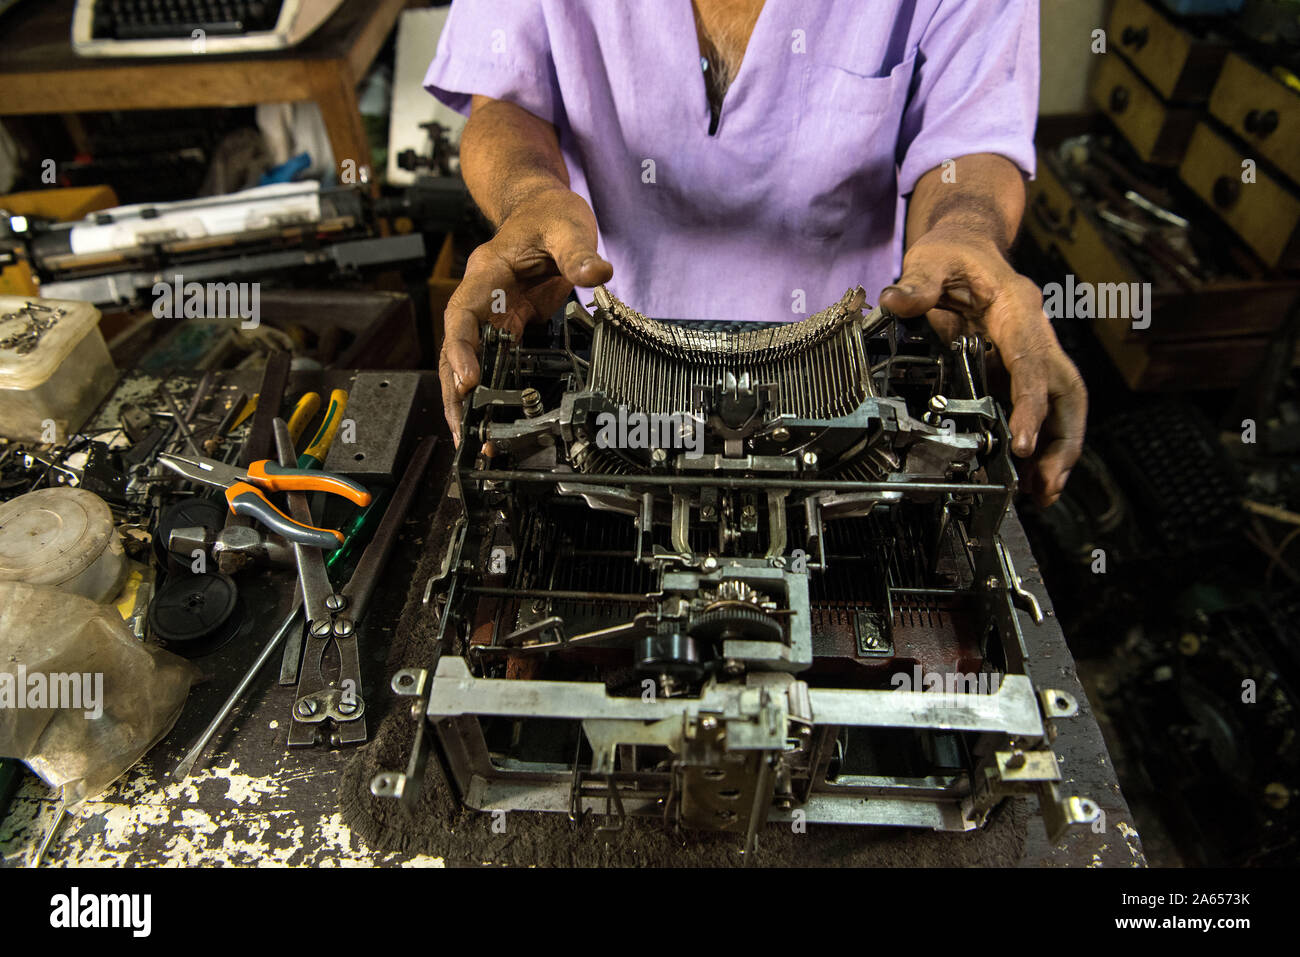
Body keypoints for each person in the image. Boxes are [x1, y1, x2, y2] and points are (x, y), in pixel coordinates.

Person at [426, 0, 1086, 506]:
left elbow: (966, 140)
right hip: (606, 343)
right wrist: (529, 196)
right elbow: (506, 100)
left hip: (853, 365)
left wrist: (965, 230)